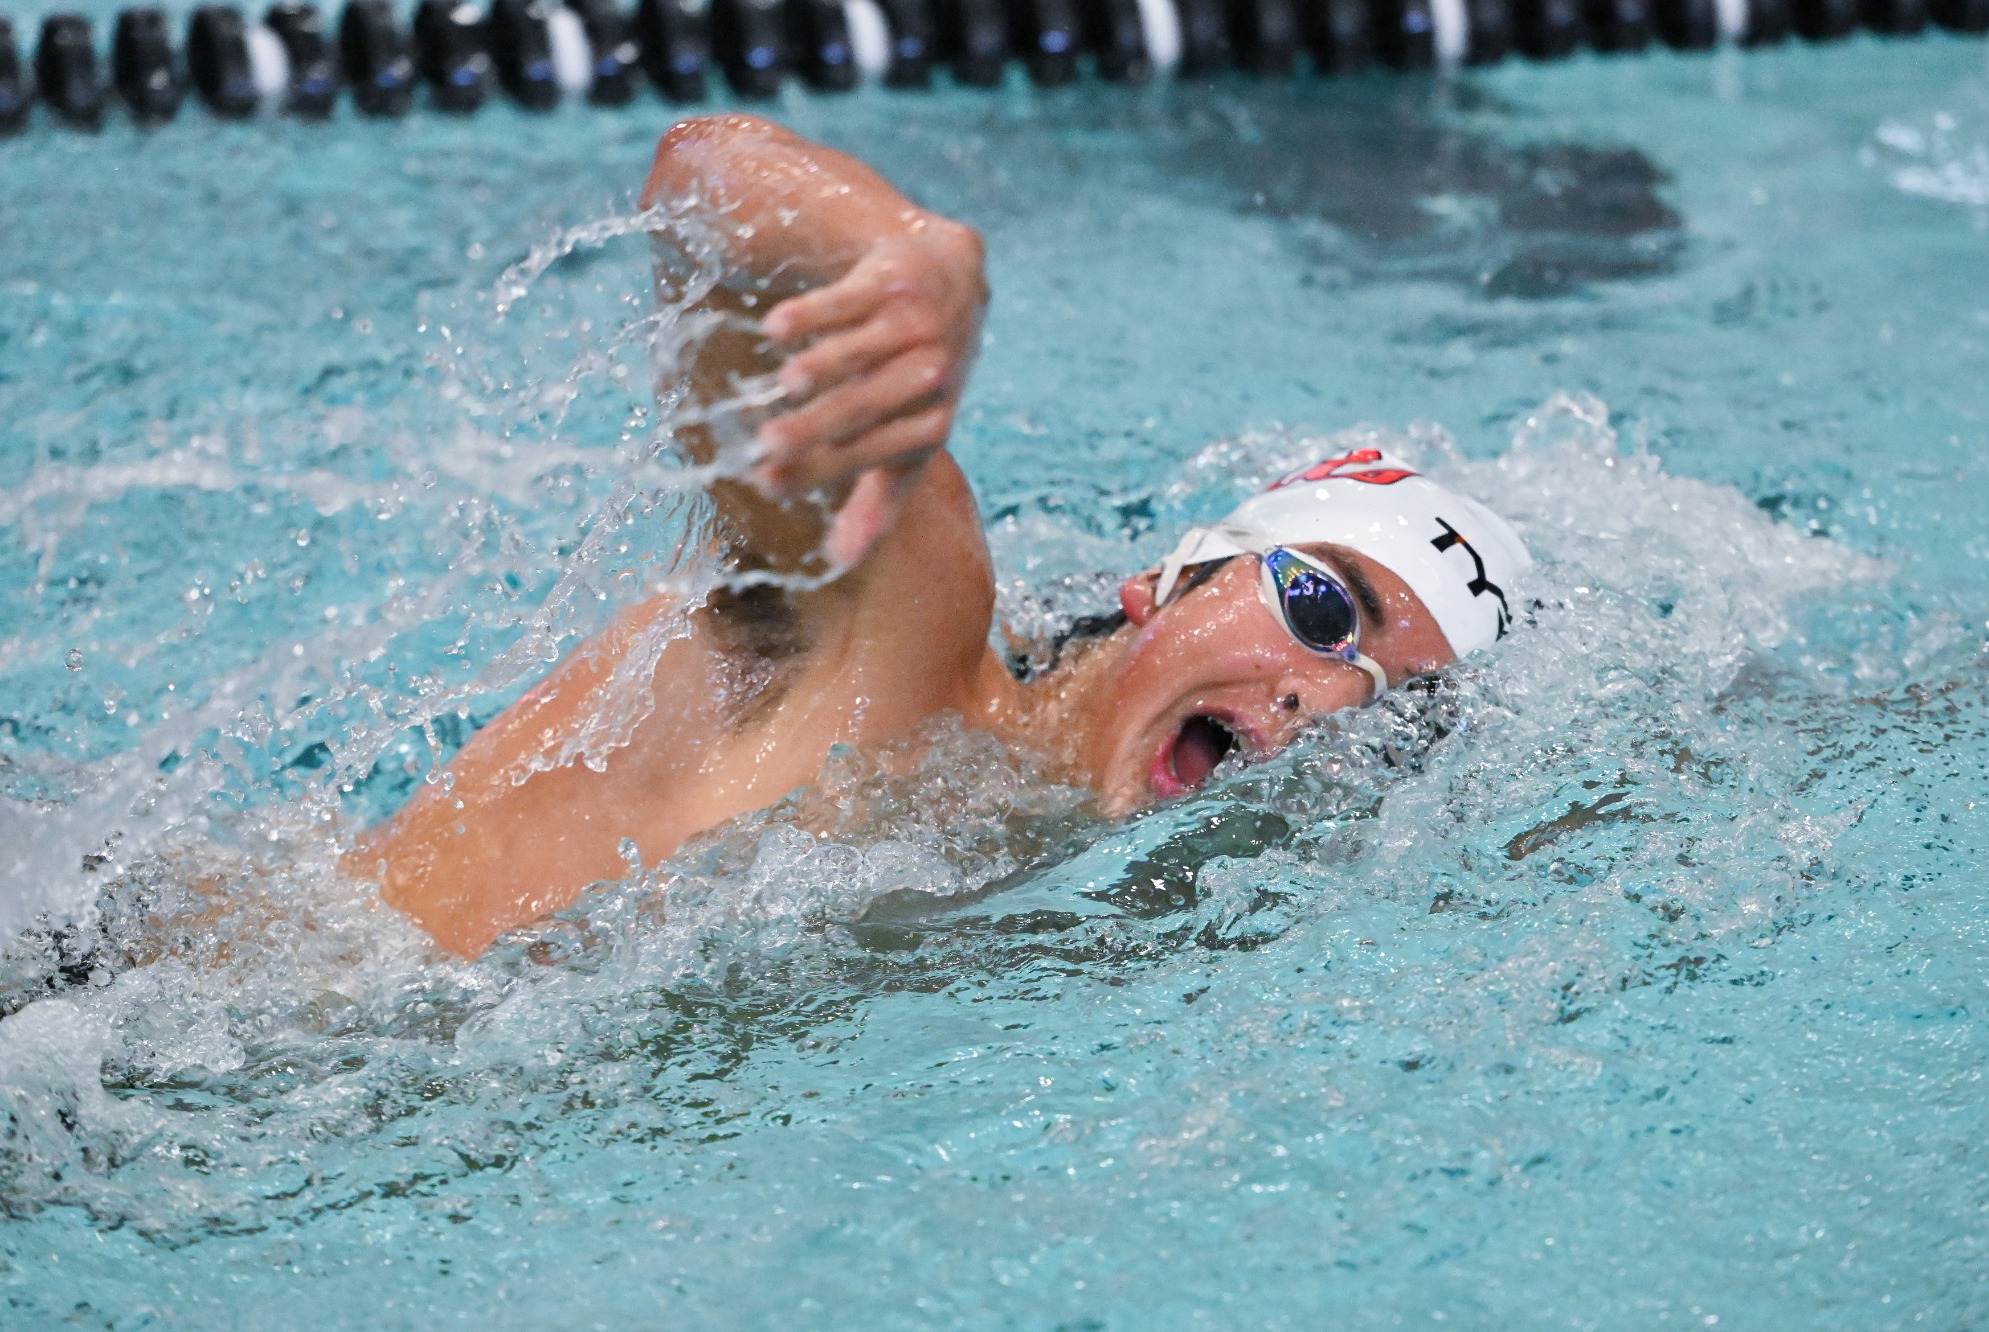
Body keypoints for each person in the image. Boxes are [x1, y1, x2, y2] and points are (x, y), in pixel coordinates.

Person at [347, 114, 1532, 960]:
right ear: (1163, 582)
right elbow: (702, 182)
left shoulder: (1039, 874)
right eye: (1323, 613)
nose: (1323, 707)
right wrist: (898, 252)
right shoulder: (906, 624)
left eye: (1393, 718)